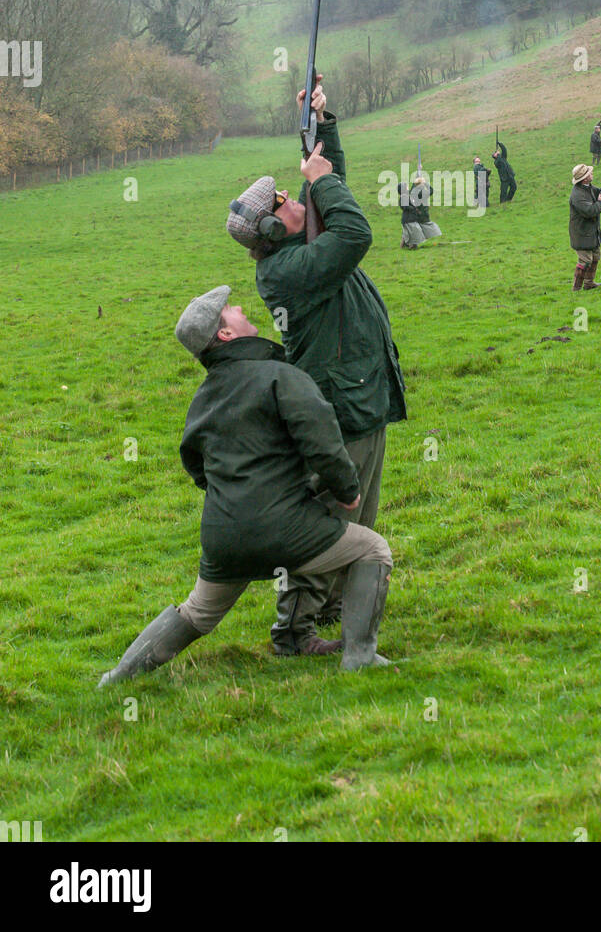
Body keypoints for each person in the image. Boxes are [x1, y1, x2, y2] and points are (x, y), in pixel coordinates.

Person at [98, 287, 393, 686]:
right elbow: (323, 442)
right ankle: (360, 656)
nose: (237, 307)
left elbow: (194, 462)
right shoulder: (280, 375)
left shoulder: (203, 397)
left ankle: (117, 677)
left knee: (196, 613)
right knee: (372, 548)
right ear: (225, 335)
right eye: (228, 309)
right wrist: (347, 490)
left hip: (223, 537)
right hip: (287, 531)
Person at [226, 77, 406, 655]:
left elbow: (335, 195)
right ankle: (293, 631)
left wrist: (320, 126)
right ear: (273, 230)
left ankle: (329, 611)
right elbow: (354, 230)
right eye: (283, 202)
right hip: (342, 402)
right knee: (329, 521)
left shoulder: (299, 253)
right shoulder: (286, 272)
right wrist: (322, 182)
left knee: (362, 514)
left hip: (364, 393)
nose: (295, 201)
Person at [569, 163, 601, 291]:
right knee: (585, 260)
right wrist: (600, 203)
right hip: (581, 232)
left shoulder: (587, 187)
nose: (592, 174)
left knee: (595, 256)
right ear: (584, 178)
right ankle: (576, 288)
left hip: (591, 231)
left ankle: (589, 283)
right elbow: (589, 211)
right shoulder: (577, 195)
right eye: (589, 173)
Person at [398, 171, 442, 248]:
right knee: (415, 232)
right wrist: (424, 182)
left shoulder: (412, 193)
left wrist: (418, 176)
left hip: (413, 217)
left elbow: (412, 188)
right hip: (416, 217)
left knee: (410, 232)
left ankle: (406, 245)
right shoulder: (420, 194)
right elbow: (431, 190)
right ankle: (412, 246)